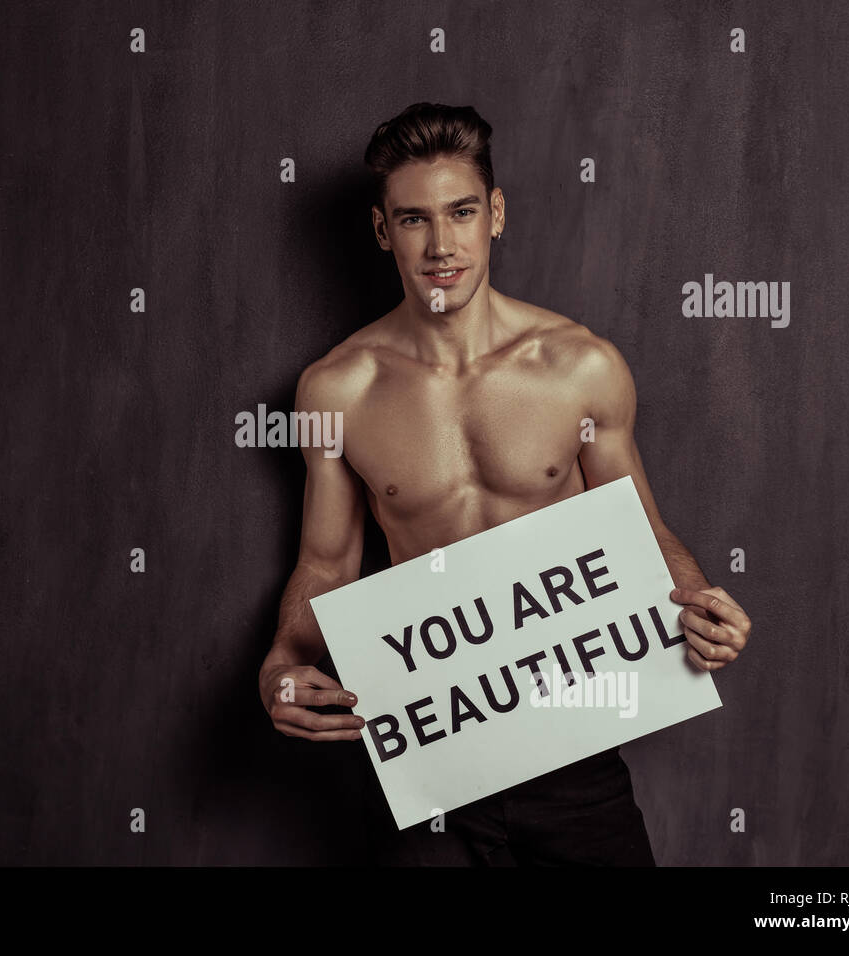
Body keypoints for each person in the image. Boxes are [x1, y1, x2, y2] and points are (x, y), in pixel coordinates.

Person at [257, 102, 752, 865]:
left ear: (495, 213)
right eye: (414, 219)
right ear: (384, 231)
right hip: (428, 760)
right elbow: (327, 564)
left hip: (571, 748)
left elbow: (640, 530)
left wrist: (701, 605)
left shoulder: (580, 367)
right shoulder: (337, 391)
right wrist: (283, 663)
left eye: (460, 212)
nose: (442, 244)